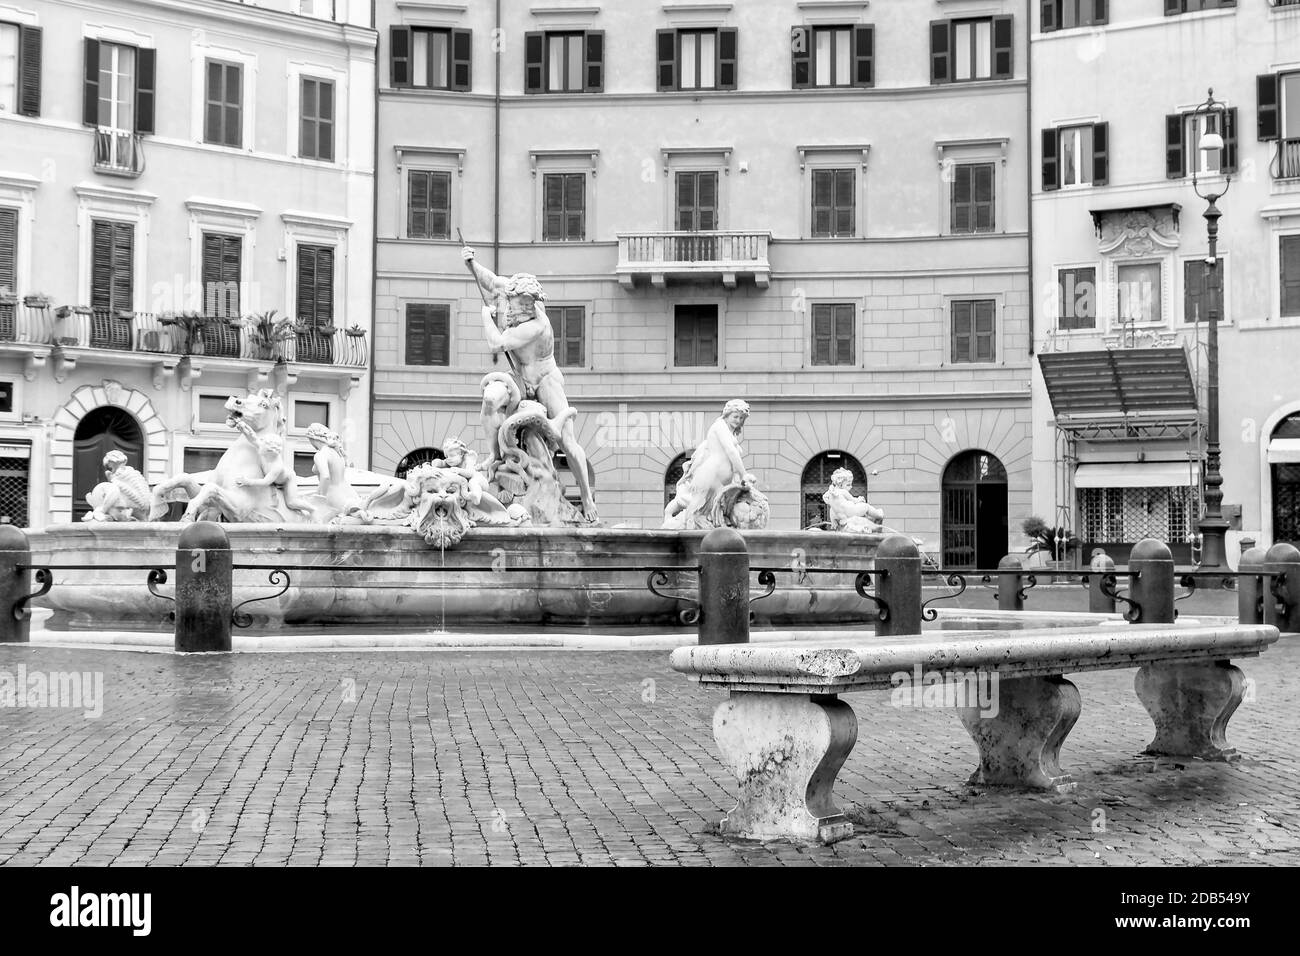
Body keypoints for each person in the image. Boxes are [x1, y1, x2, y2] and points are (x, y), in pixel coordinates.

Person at [462, 245, 598, 522]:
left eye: (529, 304)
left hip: (546, 380)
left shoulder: (536, 325)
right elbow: (489, 281)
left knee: (567, 441)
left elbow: (497, 343)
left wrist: (485, 317)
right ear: (510, 297)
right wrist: (472, 264)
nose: (525, 308)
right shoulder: (508, 290)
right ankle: (492, 454)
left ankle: (586, 497)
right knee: (490, 399)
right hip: (520, 379)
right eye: (520, 304)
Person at [664, 399, 755, 529]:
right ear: (727, 415)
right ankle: (671, 514)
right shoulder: (720, 426)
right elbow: (730, 451)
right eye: (735, 416)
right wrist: (744, 474)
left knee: (714, 510)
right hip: (711, 475)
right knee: (699, 508)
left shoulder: (730, 431)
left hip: (721, 478)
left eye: (741, 418)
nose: (738, 420)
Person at [822, 467, 884, 533]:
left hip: (841, 516)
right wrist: (859, 499)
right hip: (851, 511)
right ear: (840, 484)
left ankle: (866, 524)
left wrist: (833, 522)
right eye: (848, 485)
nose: (851, 487)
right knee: (866, 506)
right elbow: (853, 500)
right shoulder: (843, 492)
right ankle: (879, 514)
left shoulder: (831, 495)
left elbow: (832, 510)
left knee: (834, 509)